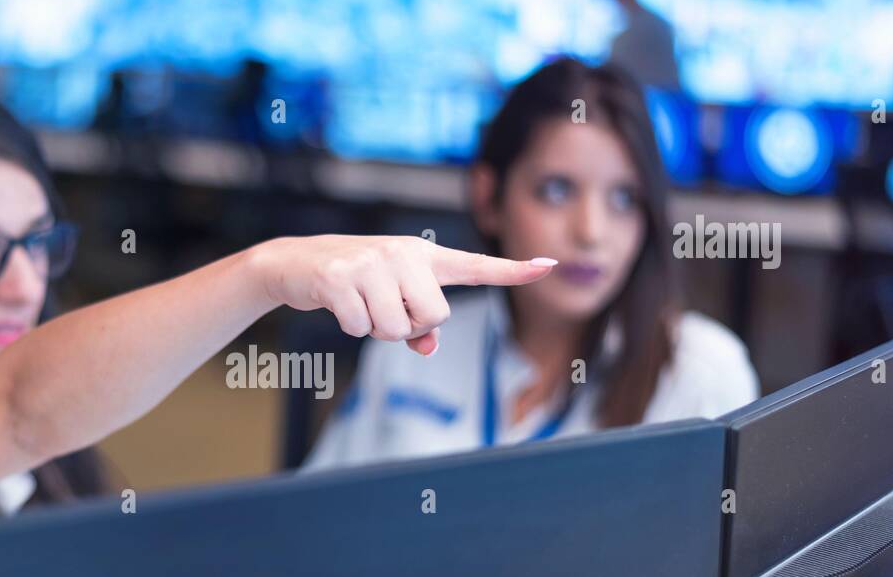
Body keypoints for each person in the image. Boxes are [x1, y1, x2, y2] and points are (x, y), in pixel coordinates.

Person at [0, 77, 555, 553]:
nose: (21, 287)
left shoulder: (46, 466)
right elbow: (15, 410)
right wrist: (263, 272)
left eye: (38, 242)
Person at [304, 58, 759, 471]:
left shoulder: (703, 374)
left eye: (624, 199)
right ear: (489, 198)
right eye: (557, 191)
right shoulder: (408, 348)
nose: (592, 232)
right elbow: (320, 531)